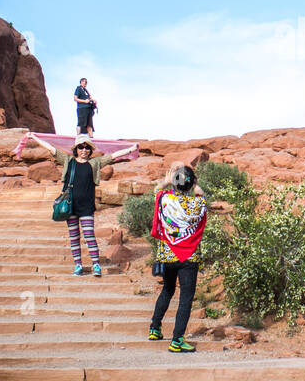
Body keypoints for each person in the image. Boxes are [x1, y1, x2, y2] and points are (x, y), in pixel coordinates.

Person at [27, 132, 131, 277]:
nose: (84, 150)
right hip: (70, 205)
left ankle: (96, 265)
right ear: (76, 149)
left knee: (89, 235)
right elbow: (51, 148)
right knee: (74, 237)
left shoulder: (94, 163)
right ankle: (78, 266)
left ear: (90, 149)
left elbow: (113, 156)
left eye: (87, 147)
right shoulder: (68, 160)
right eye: (81, 147)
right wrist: (34, 137)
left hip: (87, 206)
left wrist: (131, 148)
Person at [149, 165, 208, 353]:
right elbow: (202, 196)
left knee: (167, 290)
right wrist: (196, 184)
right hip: (189, 256)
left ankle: (155, 328)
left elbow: (156, 190)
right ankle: (177, 340)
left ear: (174, 183)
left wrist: (167, 180)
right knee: (185, 298)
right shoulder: (197, 204)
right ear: (191, 184)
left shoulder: (165, 199)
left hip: (168, 254)